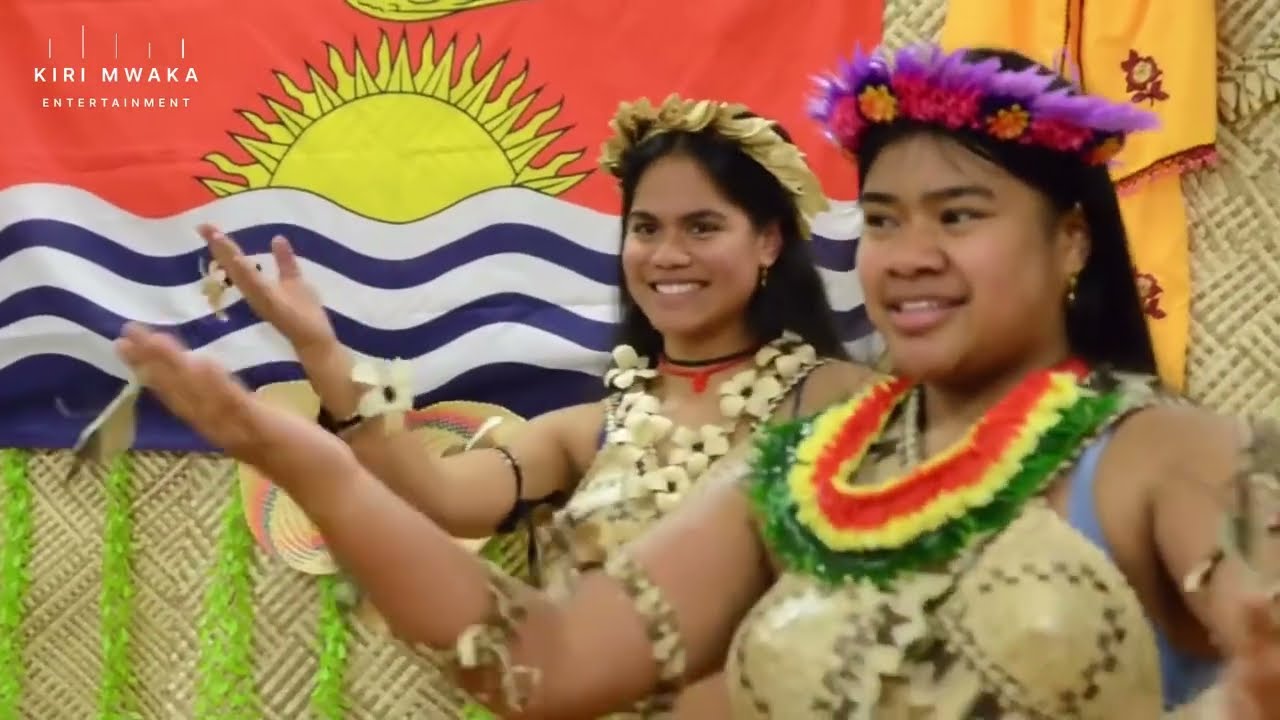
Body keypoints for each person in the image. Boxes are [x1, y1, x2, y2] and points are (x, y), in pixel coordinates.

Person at [116, 46, 1280, 718]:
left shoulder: (1157, 456)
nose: (909, 254)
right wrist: (310, 450)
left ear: (1070, 241)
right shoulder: (808, 472)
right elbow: (539, 662)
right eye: (882, 218)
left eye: (959, 216)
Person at [191, 95, 872, 716]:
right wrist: (325, 355)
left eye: (702, 227)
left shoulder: (835, 402)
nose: (667, 255)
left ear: (769, 241)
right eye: (645, 228)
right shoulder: (587, 430)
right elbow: (438, 492)